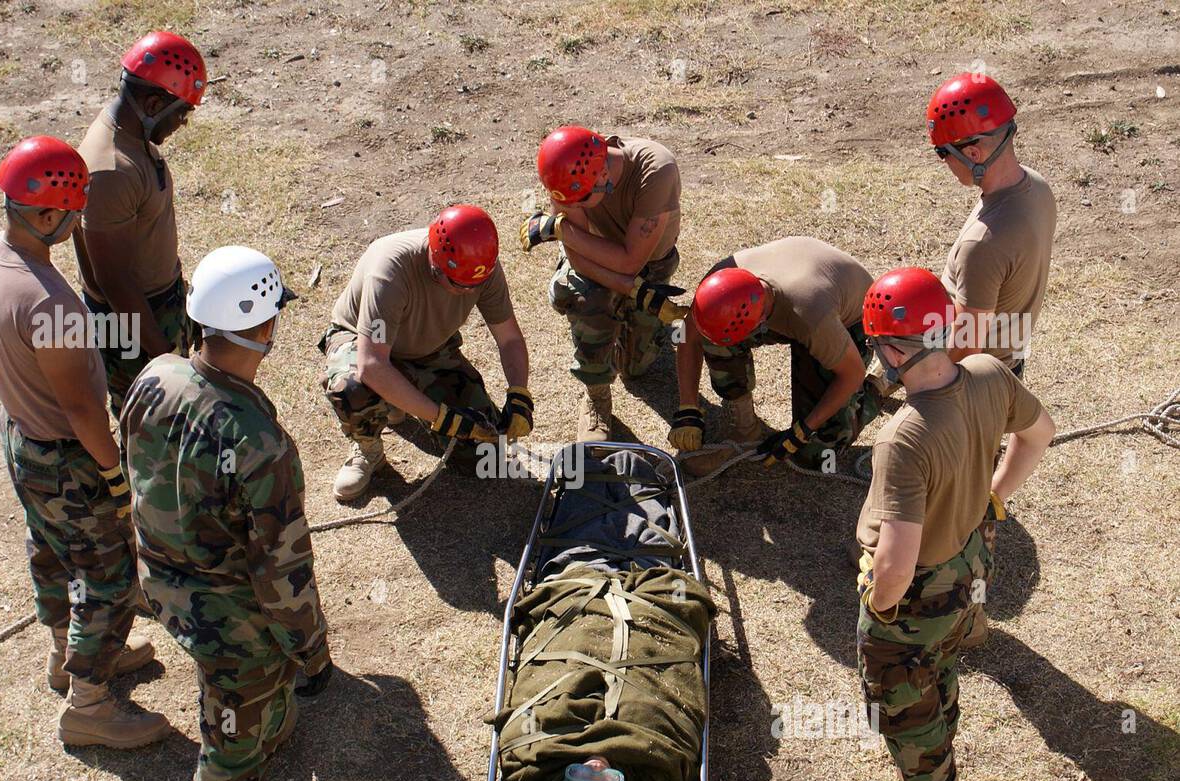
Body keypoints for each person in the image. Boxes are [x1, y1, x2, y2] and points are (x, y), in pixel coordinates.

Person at [121, 245, 332, 781]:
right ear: (264, 329)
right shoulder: (258, 443)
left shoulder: (154, 375)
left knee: (251, 703)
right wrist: (309, 649)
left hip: (158, 575)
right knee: (233, 716)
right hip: (223, 613)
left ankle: (267, 719)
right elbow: (283, 570)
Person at [845, 267, 1054, 781]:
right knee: (939, 662)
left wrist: (878, 605)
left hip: (920, 585)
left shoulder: (904, 439)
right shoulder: (991, 372)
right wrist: (995, 494)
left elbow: (896, 560)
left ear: (890, 349)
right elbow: (1040, 434)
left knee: (900, 692)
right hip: (972, 555)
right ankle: (940, 753)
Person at [0, 136, 165, 749]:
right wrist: (115, 476)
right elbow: (84, 411)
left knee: (51, 548)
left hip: (19, 439)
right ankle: (90, 706)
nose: (79, 221)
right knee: (106, 577)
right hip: (62, 455)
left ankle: (64, 655)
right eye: (73, 212)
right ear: (51, 216)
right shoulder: (50, 304)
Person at [321, 204, 532, 501]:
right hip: (365, 344)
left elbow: (508, 337)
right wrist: (441, 417)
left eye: (476, 285)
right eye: (458, 284)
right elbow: (372, 364)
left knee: (486, 456)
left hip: (428, 349)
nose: (468, 291)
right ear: (435, 263)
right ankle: (367, 448)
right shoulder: (390, 273)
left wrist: (519, 394)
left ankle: (400, 401)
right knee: (353, 387)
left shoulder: (482, 269)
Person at [520, 126, 685, 441]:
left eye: (580, 201)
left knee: (636, 371)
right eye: (566, 204)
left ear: (603, 176)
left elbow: (629, 262)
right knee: (584, 294)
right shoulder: (567, 172)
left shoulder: (656, 170)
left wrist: (558, 229)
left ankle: (638, 323)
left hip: (648, 263)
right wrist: (635, 291)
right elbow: (579, 260)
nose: (572, 208)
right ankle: (596, 395)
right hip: (594, 258)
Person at [73, 30, 207, 417]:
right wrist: (162, 353)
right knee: (151, 425)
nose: (182, 123)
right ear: (152, 103)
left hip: (156, 308)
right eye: (181, 112)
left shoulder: (133, 135)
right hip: (134, 326)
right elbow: (113, 282)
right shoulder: (111, 170)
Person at [669, 238, 878, 475]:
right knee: (712, 335)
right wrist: (688, 407)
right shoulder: (720, 287)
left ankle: (881, 383)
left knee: (815, 452)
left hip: (850, 318)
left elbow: (851, 375)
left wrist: (802, 431)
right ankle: (744, 428)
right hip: (800, 294)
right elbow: (688, 333)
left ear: (759, 323)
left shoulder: (811, 317)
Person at [928, 72, 1056, 377]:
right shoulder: (1037, 186)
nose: (942, 162)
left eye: (942, 152)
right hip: (1009, 364)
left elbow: (965, 345)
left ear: (974, 154)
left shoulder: (983, 243)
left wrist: (918, 375)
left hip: (973, 383)